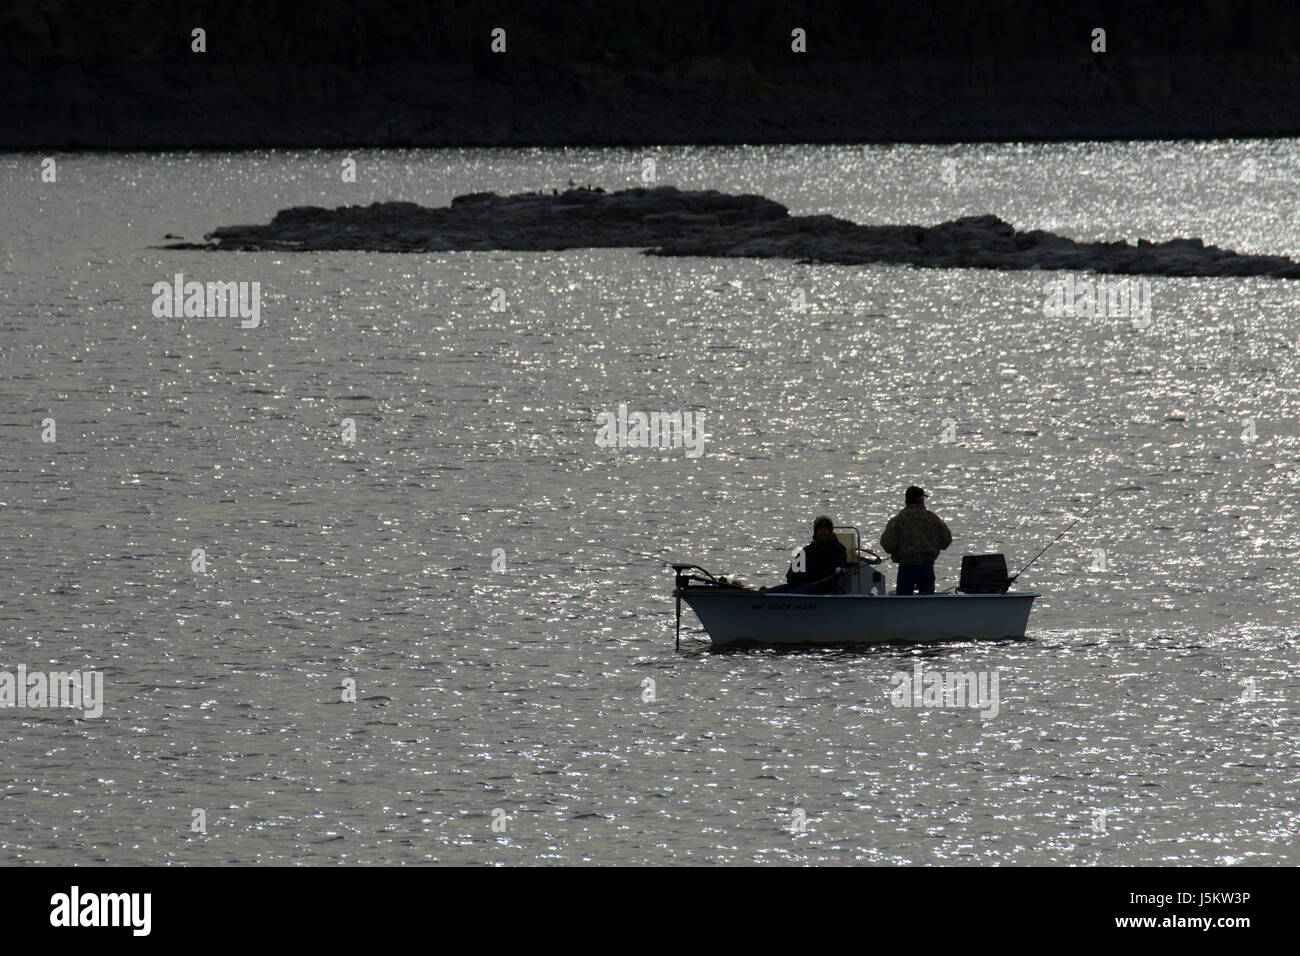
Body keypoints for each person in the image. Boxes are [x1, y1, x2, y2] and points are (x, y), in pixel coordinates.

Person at [880, 486, 952, 595]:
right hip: (926, 566)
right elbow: (946, 541)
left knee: (904, 602)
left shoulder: (898, 519)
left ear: (906, 500)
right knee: (927, 602)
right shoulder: (932, 518)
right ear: (922, 500)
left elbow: (887, 544)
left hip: (907, 566)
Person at [766, 515, 848, 594]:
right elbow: (793, 569)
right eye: (821, 528)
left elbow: (837, 571)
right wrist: (794, 579)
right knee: (772, 591)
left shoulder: (836, 549)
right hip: (800, 585)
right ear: (815, 531)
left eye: (826, 529)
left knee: (794, 593)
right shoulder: (807, 550)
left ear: (830, 531)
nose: (823, 531)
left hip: (820, 587)